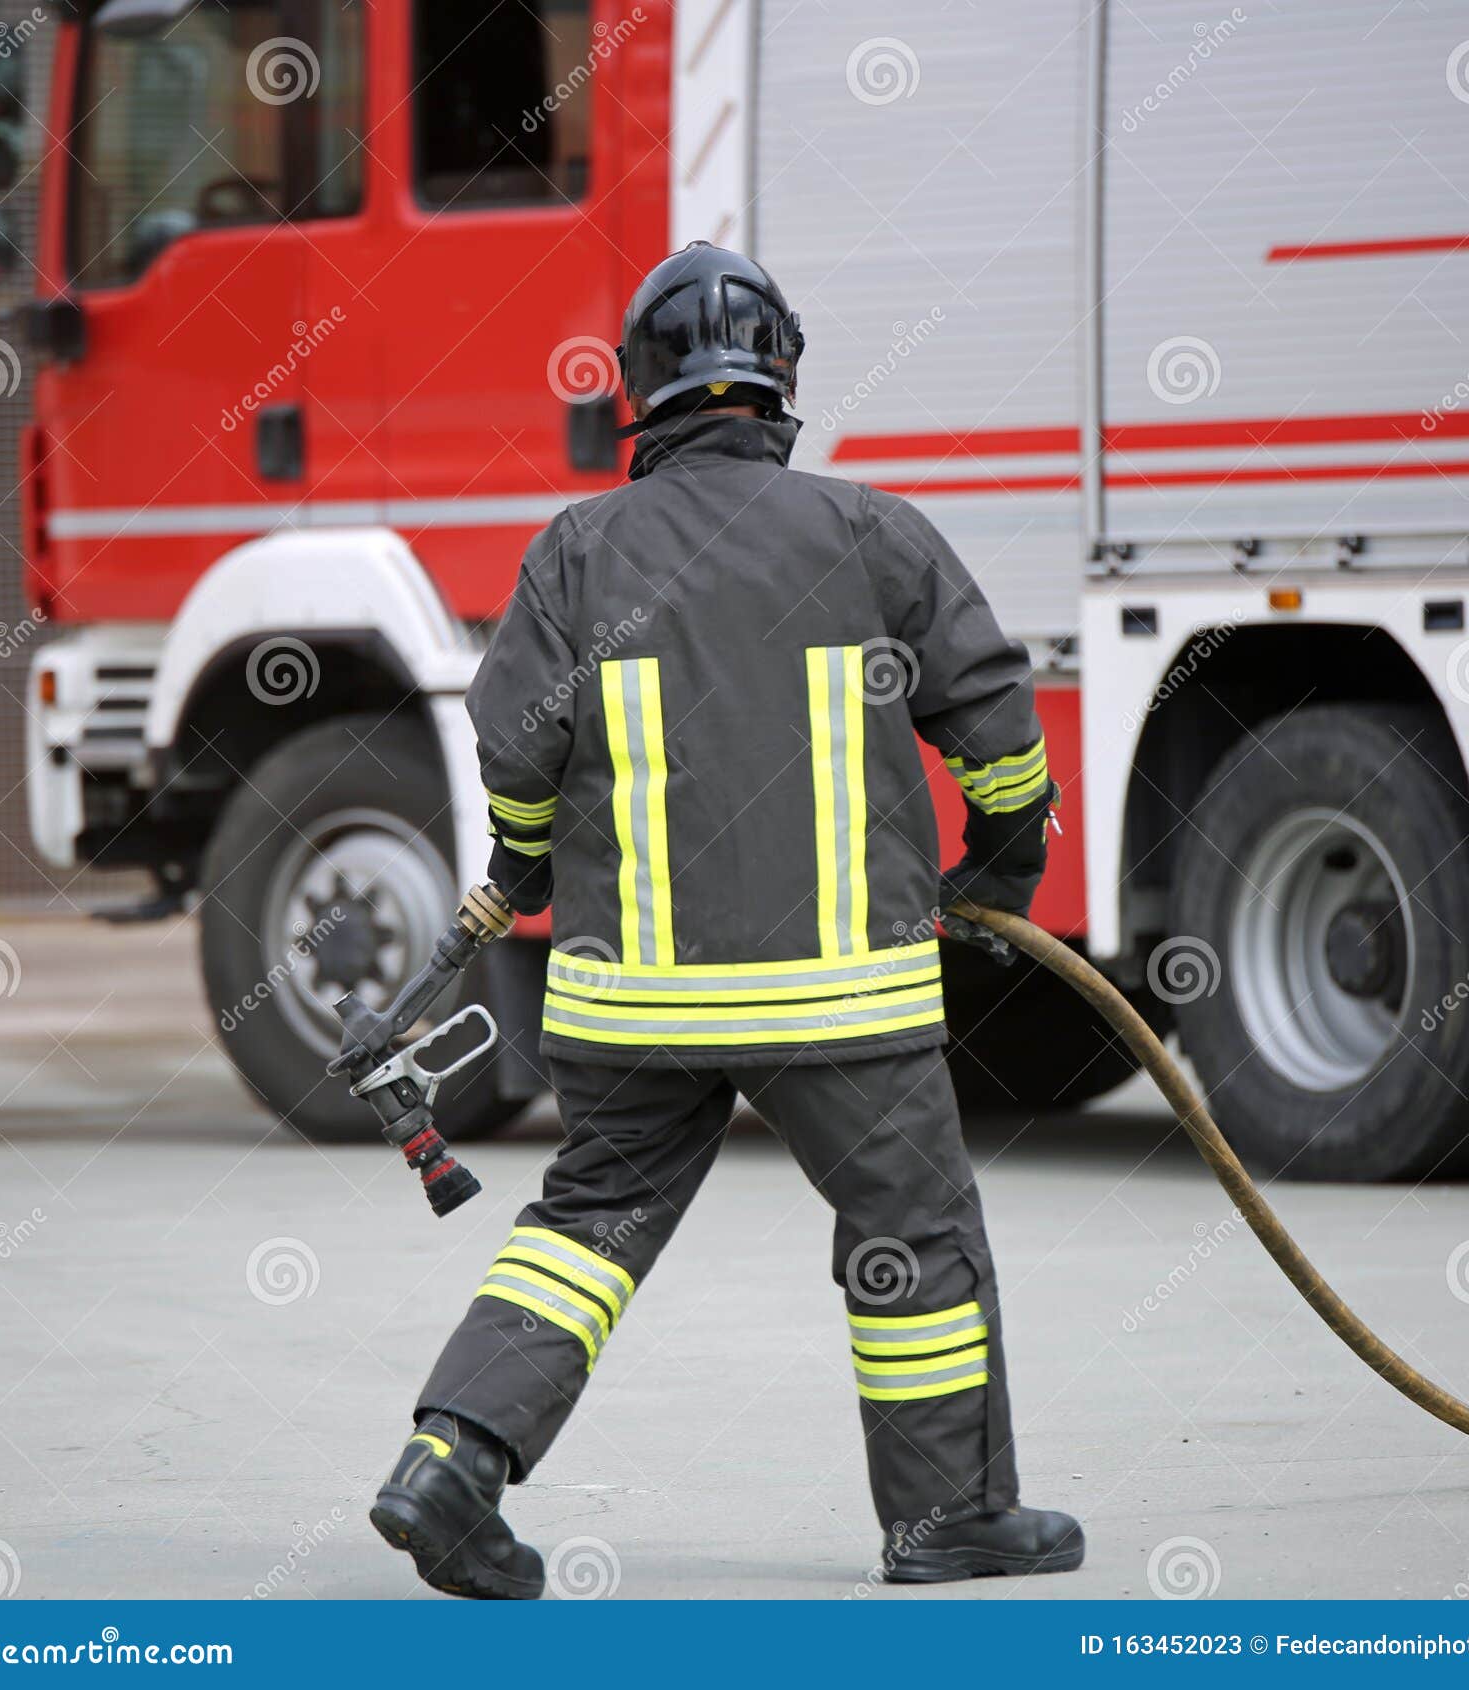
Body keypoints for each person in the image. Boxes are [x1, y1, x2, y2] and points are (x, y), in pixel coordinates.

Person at [370, 242, 1082, 1598]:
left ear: (636, 392)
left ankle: (448, 1460)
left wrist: (522, 866)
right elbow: (999, 733)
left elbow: (514, 754)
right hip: (844, 1006)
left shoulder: (576, 552)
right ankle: (947, 1516)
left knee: (587, 1223)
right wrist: (997, 873)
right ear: (783, 377)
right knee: (910, 1229)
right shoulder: (871, 535)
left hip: (630, 1003)